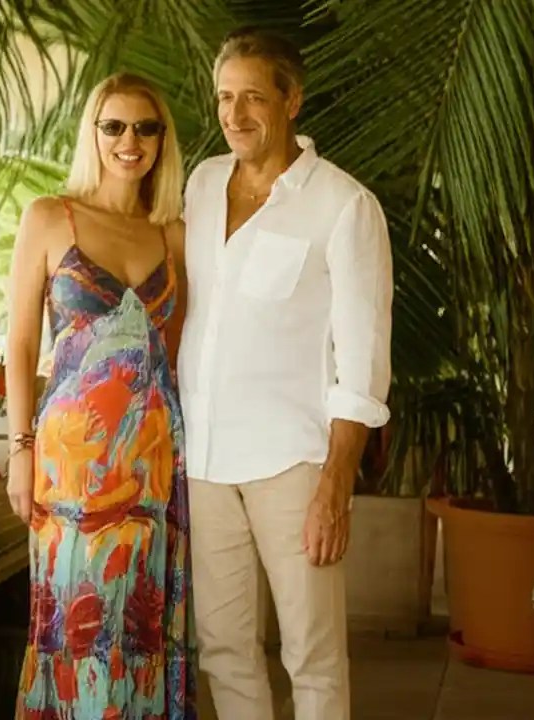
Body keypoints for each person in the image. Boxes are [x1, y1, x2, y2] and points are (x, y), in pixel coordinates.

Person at [179, 27, 393, 720]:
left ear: (292, 99)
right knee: (223, 648)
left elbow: (363, 363)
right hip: (205, 462)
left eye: (252, 98)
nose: (235, 115)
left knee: (313, 655)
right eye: (223, 98)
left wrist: (336, 482)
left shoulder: (344, 206)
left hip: (294, 466)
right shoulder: (203, 184)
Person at [4, 71, 197, 718]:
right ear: (93, 133)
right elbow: (21, 344)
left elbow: (176, 354)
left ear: (161, 140)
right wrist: (18, 449)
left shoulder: (174, 233)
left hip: (152, 463)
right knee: (75, 618)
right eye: (113, 125)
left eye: (145, 127)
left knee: (140, 623)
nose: (129, 140)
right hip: (72, 463)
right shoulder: (49, 217)